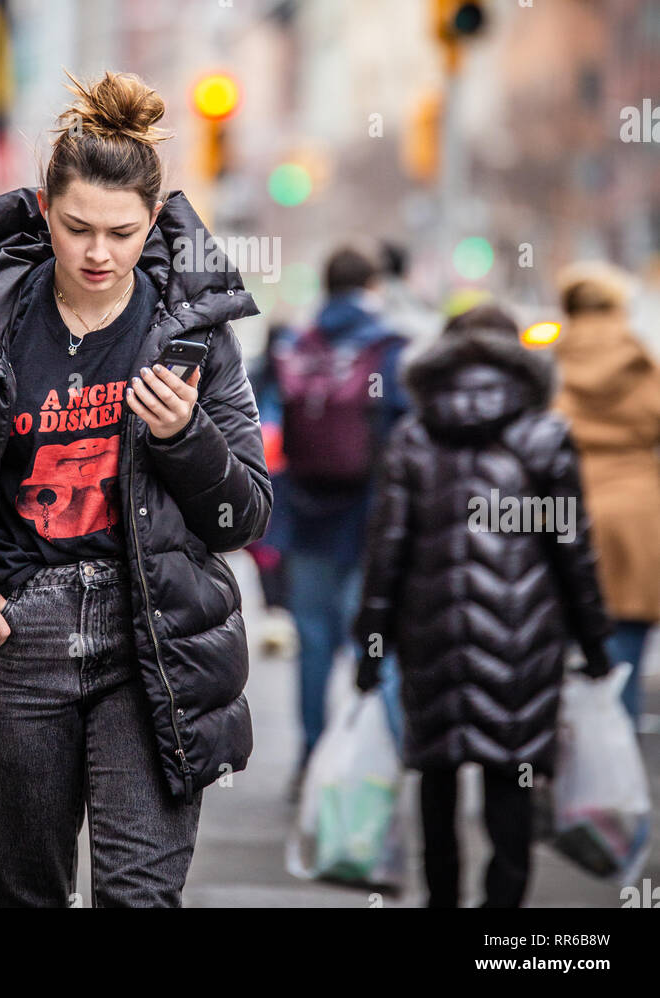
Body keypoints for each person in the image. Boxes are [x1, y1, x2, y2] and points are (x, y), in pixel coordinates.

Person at [0, 70, 272, 909]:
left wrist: (187, 438)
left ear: (153, 221)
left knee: (139, 898)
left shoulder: (193, 331)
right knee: (18, 895)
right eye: (77, 228)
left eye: (121, 231)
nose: (99, 253)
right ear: (44, 211)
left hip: (152, 635)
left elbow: (243, 515)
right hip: (15, 636)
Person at [353, 303, 612, 908]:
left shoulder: (412, 437)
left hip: (430, 634)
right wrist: (595, 641)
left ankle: (442, 900)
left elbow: (385, 553)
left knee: (436, 773)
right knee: (512, 774)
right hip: (523, 639)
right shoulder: (546, 436)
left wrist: (372, 643)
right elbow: (572, 550)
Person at [272, 247, 408, 795]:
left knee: (313, 639)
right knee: (375, 640)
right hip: (371, 517)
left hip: (305, 515)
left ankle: (310, 758)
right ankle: (379, 765)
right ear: (372, 284)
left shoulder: (296, 343)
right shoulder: (389, 346)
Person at [555, 262, 660, 725]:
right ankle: (619, 772)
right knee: (627, 650)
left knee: (563, 650)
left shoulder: (552, 360)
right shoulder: (641, 361)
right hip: (637, 513)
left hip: (565, 510)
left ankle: (563, 768)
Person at [245, 321, 298, 654]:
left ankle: (275, 614)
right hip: (285, 473)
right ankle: (280, 614)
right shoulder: (298, 375)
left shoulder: (255, 375)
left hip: (264, 468)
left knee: (267, 548)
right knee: (278, 548)